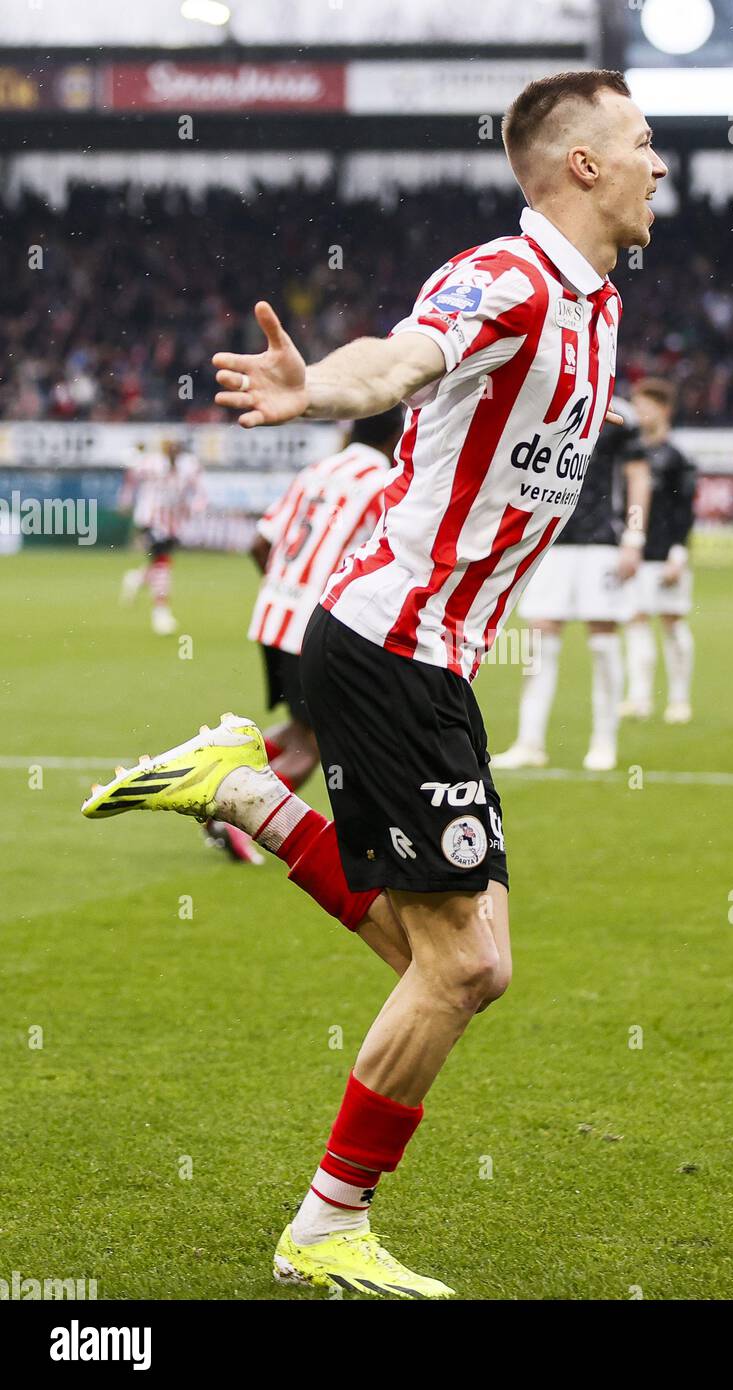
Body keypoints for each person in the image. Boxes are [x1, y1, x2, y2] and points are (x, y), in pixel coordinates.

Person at [83, 69, 668, 1299]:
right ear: (581, 164)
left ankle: (249, 797)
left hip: (428, 656)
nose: (660, 164)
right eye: (643, 143)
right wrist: (316, 391)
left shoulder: (600, 303)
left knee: (470, 963)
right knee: (460, 969)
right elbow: (401, 357)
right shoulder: (504, 279)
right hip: (391, 646)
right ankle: (326, 1225)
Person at [206, 408, 403, 865]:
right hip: (317, 630)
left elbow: (259, 543)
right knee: (318, 743)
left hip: (274, 614)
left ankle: (220, 773)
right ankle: (235, 819)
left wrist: (285, 593)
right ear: (397, 433)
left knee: (302, 726)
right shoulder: (382, 482)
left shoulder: (316, 470)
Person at [493, 395, 649, 770]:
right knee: (539, 639)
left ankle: (604, 740)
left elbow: (638, 476)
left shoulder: (620, 414)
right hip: (549, 540)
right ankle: (530, 741)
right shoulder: (546, 394)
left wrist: (635, 535)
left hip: (601, 542)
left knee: (602, 640)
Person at [621, 378, 697, 724]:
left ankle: (680, 699)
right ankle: (639, 697)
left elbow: (686, 510)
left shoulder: (677, 457)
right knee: (635, 622)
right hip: (637, 554)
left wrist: (679, 552)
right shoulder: (631, 452)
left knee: (671, 622)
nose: (638, 413)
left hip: (666, 554)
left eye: (644, 407)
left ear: (664, 410)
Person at [119, 438, 206, 635]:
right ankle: (161, 611)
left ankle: (136, 578)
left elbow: (201, 493)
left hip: (174, 524)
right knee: (163, 563)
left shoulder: (190, 467)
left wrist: (194, 509)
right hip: (150, 520)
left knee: (160, 564)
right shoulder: (152, 463)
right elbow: (131, 475)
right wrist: (125, 499)